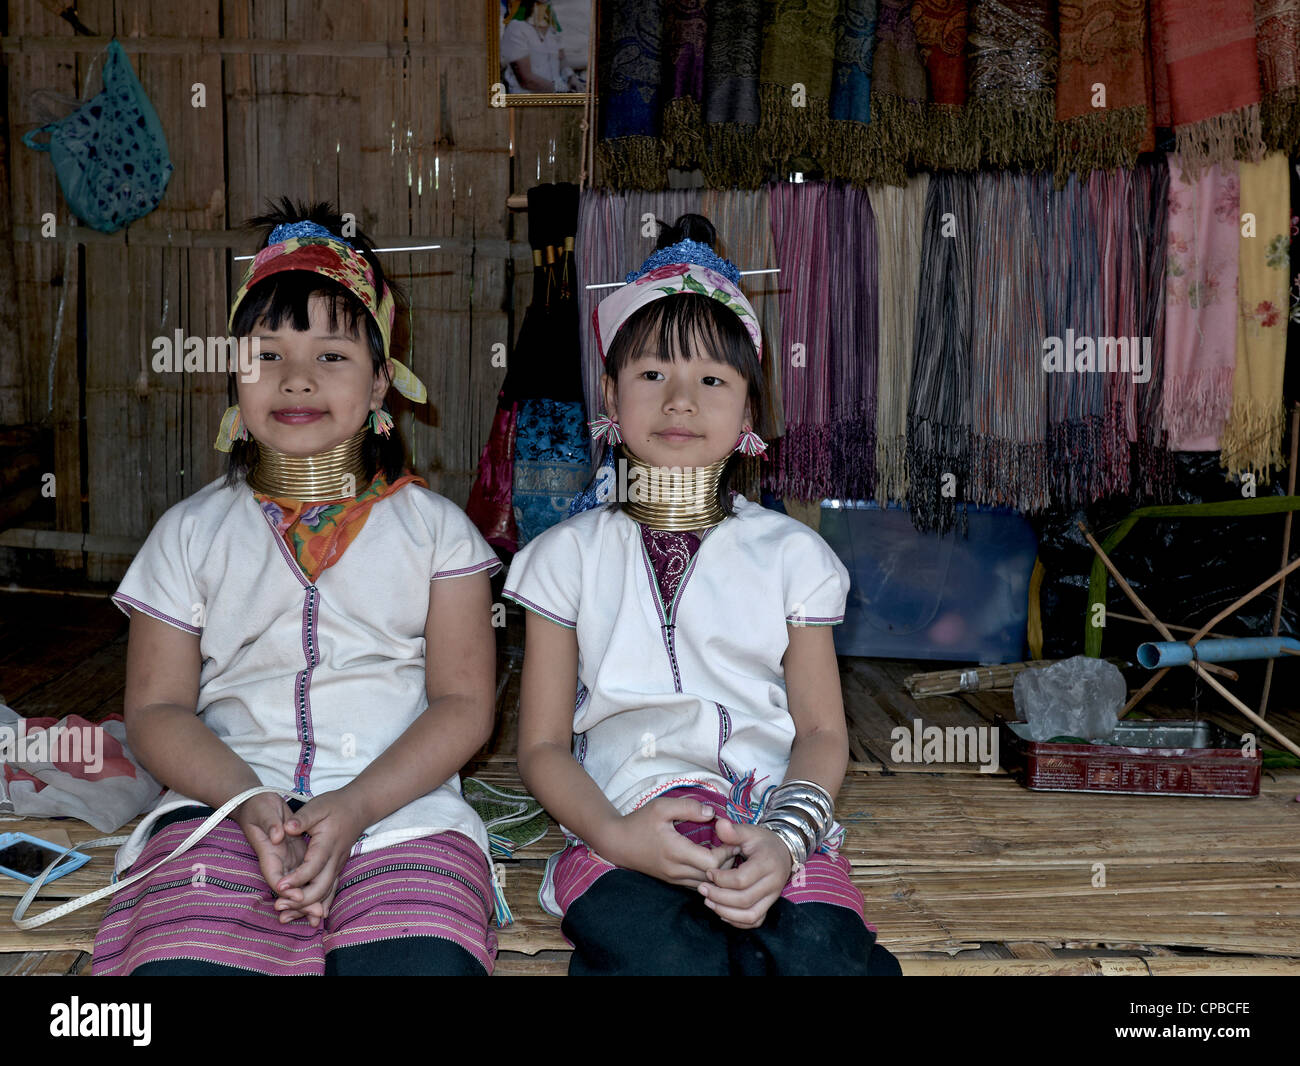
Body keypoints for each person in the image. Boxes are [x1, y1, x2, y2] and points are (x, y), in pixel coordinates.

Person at [92, 201, 504, 976]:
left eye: (332, 357)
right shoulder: (189, 533)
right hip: (222, 811)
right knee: (182, 970)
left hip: (400, 814)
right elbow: (154, 709)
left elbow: (464, 704)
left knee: (419, 967)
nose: (297, 379)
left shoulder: (438, 533)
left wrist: (355, 808)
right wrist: (246, 800)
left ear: (383, 382)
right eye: (267, 355)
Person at [503, 214, 903, 975]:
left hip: (771, 819)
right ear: (611, 403)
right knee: (659, 961)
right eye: (653, 374)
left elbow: (820, 732)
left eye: (712, 380)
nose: (681, 400)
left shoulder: (791, 556)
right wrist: (616, 836)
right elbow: (544, 747)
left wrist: (788, 842)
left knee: (828, 959)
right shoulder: (564, 559)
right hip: (623, 821)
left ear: (749, 413)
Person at [501, 0, 581, 94]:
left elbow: (561, 58)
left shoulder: (552, 26)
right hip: (528, 100)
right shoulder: (516, 28)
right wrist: (562, 92)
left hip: (558, 95)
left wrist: (571, 78)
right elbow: (526, 80)